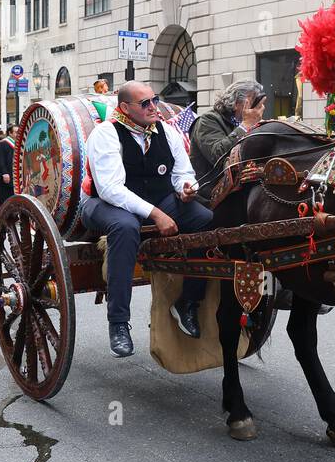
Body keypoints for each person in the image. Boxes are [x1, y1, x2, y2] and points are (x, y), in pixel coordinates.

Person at [81, 82, 215, 357]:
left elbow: (182, 172)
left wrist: (186, 188)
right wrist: (155, 214)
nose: (154, 106)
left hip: (158, 200)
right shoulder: (106, 134)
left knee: (205, 219)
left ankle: (188, 301)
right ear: (125, 108)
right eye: (145, 103)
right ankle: (118, 323)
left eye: (155, 100)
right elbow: (110, 189)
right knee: (125, 226)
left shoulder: (166, 131)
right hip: (105, 204)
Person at [190, 80, 266, 199]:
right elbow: (218, 155)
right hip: (210, 192)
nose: (255, 109)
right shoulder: (208, 120)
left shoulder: (246, 122)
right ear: (236, 103)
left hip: (239, 186)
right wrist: (245, 126)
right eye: (252, 102)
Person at [0, 124, 17, 205]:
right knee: (5, 201)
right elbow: (1, 160)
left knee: (14, 201)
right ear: (10, 133)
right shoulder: (3, 143)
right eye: (16, 132)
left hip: (14, 177)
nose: (18, 134)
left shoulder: (18, 144)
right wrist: (4, 173)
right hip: (5, 177)